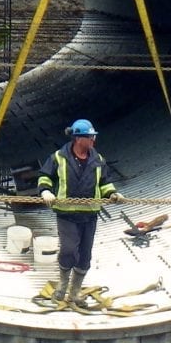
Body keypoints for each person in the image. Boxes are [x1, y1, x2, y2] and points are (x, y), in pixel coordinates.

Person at [37, 118, 122, 303]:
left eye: (93, 137)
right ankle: (62, 286)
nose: (93, 140)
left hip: (89, 215)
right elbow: (45, 176)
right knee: (68, 250)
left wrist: (113, 194)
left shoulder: (98, 160)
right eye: (90, 137)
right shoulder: (58, 157)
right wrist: (45, 191)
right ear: (78, 139)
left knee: (85, 255)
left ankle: (74, 292)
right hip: (67, 214)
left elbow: (105, 182)